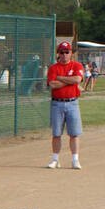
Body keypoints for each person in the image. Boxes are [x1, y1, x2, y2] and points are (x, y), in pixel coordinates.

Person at [46, 42, 84, 170]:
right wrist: (69, 81)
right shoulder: (53, 68)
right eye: (61, 52)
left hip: (72, 102)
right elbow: (53, 84)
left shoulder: (76, 65)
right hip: (57, 103)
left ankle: (75, 159)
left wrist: (61, 78)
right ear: (58, 54)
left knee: (74, 133)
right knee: (56, 133)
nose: (64, 55)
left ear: (71, 53)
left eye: (67, 52)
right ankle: (55, 159)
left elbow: (77, 79)